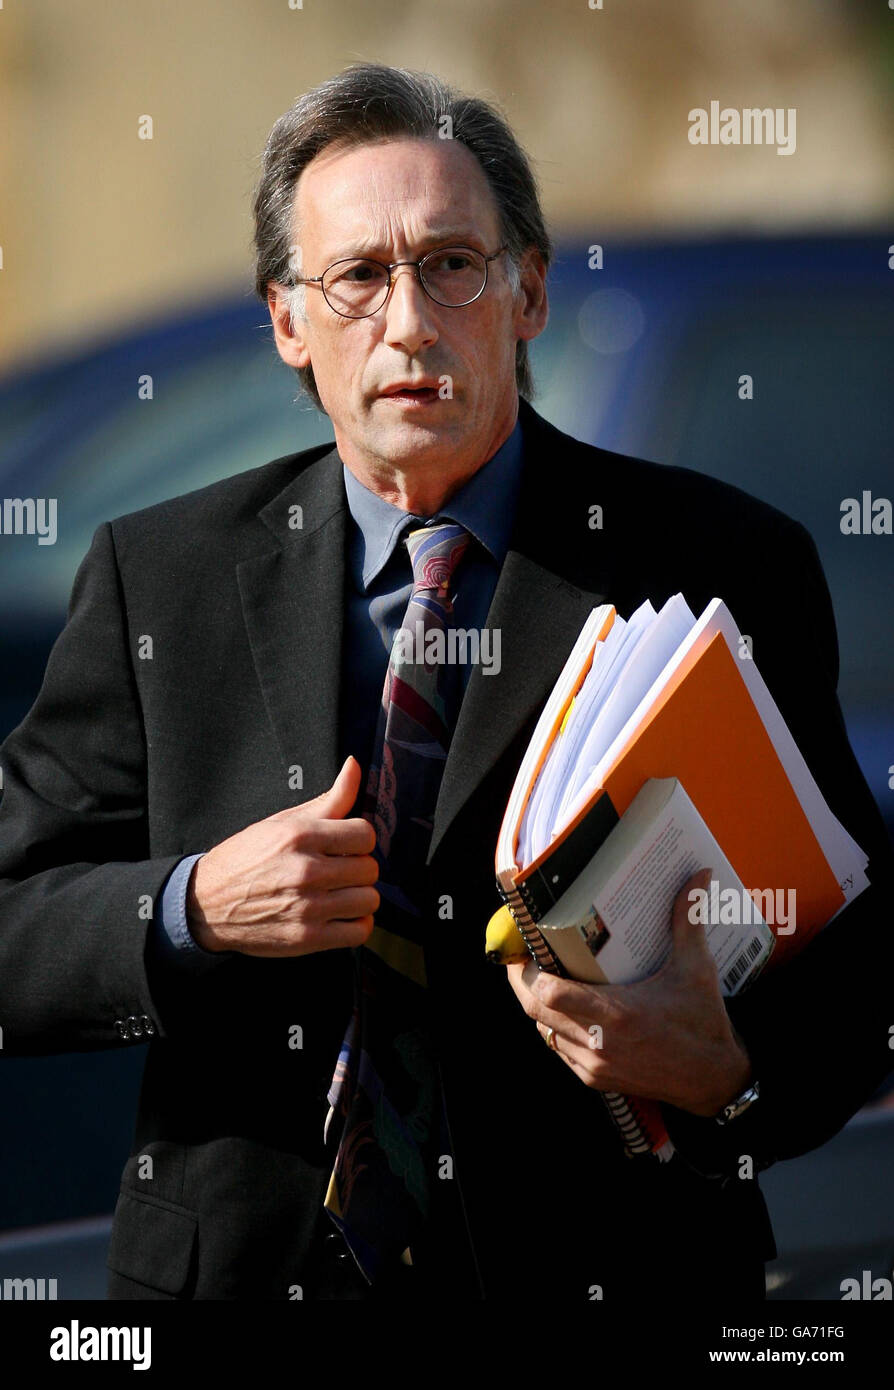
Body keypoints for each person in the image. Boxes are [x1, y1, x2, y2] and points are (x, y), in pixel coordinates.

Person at [0, 61, 892, 1303]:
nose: (409, 322)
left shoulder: (720, 566)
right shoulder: (162, 579)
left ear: (527, 290)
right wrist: (194, 904)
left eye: (451, 266)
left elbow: (860, 974)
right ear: (285, 322)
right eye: (358, 277)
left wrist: (723, 1067)